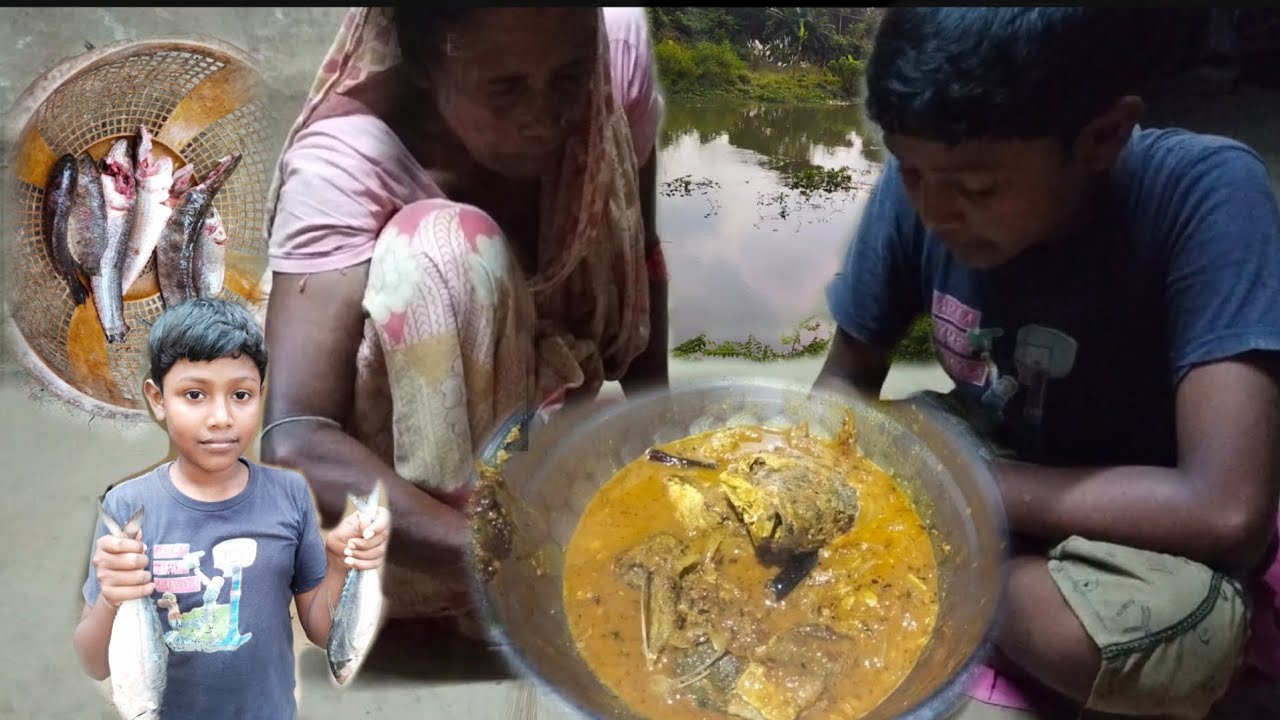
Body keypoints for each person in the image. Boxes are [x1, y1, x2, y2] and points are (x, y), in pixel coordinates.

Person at [816, 7, 1280, 719]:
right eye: (912, 172)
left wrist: (954, 488)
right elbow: (846, 382)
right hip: (994, 457)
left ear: (1102, 137)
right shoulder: (924, 184)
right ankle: (947, 568)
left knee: (1170, 636)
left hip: (1144, 520)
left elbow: (1226, 510)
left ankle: (926, 574)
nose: (936, 211)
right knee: (847, 450)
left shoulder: (1207, 195)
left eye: (977, 188)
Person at [256, 6, 668, 629]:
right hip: (395, 472)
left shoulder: (615, 50)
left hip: (530, 387)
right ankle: (461, 583)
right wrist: (516, 560)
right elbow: (296, 440)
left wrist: (663, 443)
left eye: (568, 79)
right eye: (505, 90)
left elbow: (639, 252)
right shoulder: (344, 164)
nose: (545, 118)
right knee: (446, 245)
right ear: (424, 67)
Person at [73, 298, 391, 719]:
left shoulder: (289, 494)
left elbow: (322, 632)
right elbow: (94, 664)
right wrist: (112, 599)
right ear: (158, 398)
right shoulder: (129, 505)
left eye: (240, 394)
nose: (221, 417)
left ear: (261, 394)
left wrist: (338, 563)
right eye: (194, 395)